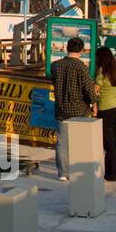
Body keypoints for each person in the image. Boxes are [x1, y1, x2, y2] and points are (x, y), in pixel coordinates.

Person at [49, 37, 98, 181]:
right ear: (81, 51)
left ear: (66, 48)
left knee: (62, 143)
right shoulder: (82, 67)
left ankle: (63, 174)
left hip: (61, 109)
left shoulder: (55, 65)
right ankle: (79, 170)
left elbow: (53, 82)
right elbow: (89, 89)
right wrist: (94, 104)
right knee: (80, 142)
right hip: (79, 110)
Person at [94, 45, 116, 181]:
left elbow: (94, 92)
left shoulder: (101, 75)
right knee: (114, 141)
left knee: (108, 143)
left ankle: (110, 174)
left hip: (105, 109)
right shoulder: (115, 72)